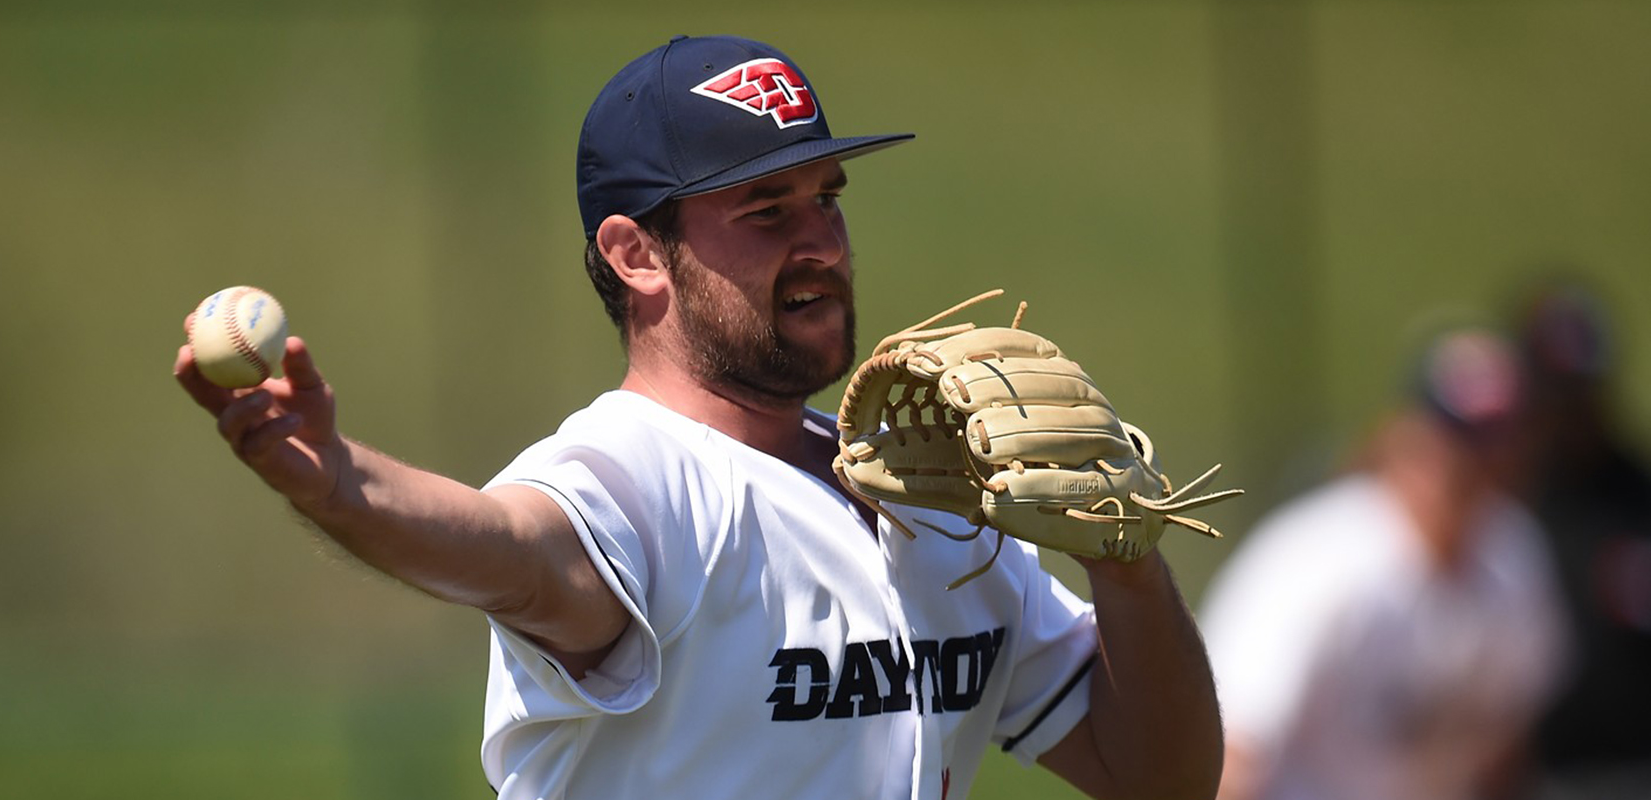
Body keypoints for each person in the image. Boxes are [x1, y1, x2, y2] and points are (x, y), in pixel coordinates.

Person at [177, 35, 1221, 800]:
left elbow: (1157, 773)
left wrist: (1126, 567)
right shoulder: (632, 478)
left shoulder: (938, 491)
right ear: (636, 254)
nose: (819, 240)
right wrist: (338, 481)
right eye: (766, 212)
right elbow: (508, 548)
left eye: (827, 196)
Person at [1200, 325, 1568, 800]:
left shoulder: (1515, 556)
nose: (1475, 462)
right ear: (1407, 434)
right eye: (1459, 438)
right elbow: (1230, 757)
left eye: (1495, 440)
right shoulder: (1318, 558)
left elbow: (1508, 743)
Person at [1515, 283, 1651, 800]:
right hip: (1536, 777)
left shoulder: (1637, 497)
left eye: (1581, 392)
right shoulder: (1505, 506)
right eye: (1557, 394)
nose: (1571, 412)